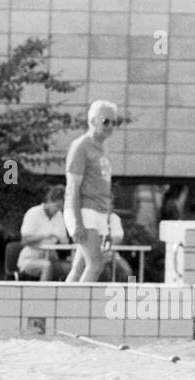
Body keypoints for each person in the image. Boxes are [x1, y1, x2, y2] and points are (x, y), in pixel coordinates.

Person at [64, 100, 119, 284]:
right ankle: (77, 311)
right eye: (106, 121)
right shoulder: (81, 146)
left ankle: (60, 308)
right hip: (84, 210)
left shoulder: (102, 149)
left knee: (79, 268)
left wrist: (108, 225)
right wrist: (78, 222)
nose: (110, 126)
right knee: (95, 265)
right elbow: (73, 186)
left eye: (114, 122)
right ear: (92, 120)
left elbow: (105, 188)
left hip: (98, 212)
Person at [17, 187, 69, 282]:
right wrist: (44, 236)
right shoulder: (33, 213)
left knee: (70, 268)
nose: (58, 210)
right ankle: (44, 295)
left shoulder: (59, 215)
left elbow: (65, 241)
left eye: (61, 207)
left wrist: (61, 239)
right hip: (31, 258)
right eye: (57, 206)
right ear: (49, 201)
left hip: (52, 257)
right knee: (46, 266)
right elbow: (24, 240)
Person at [68, 211, 133, 282]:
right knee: (80, 269)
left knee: (128, 272)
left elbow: (117, 237)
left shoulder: (113, 217)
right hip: (88, 253)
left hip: (110, 254)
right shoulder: (88, 214)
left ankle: (132, 292)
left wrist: (105, 245)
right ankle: (71, 291)